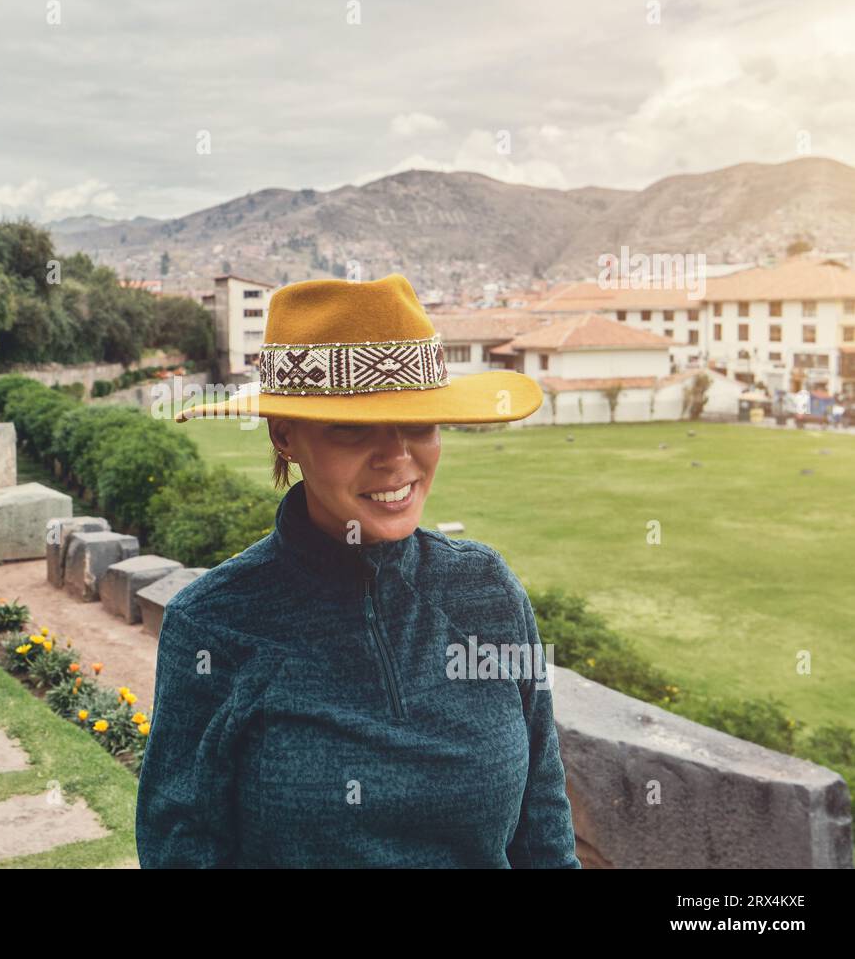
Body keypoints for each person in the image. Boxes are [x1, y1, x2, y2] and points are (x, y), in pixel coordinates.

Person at [134, 273, 581, 868]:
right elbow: (181, 849)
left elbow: (542, 825)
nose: (397, 459)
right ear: (285, 435)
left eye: (418, 423)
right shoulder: (215, 623)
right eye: (352, 427)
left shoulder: (487, 592)